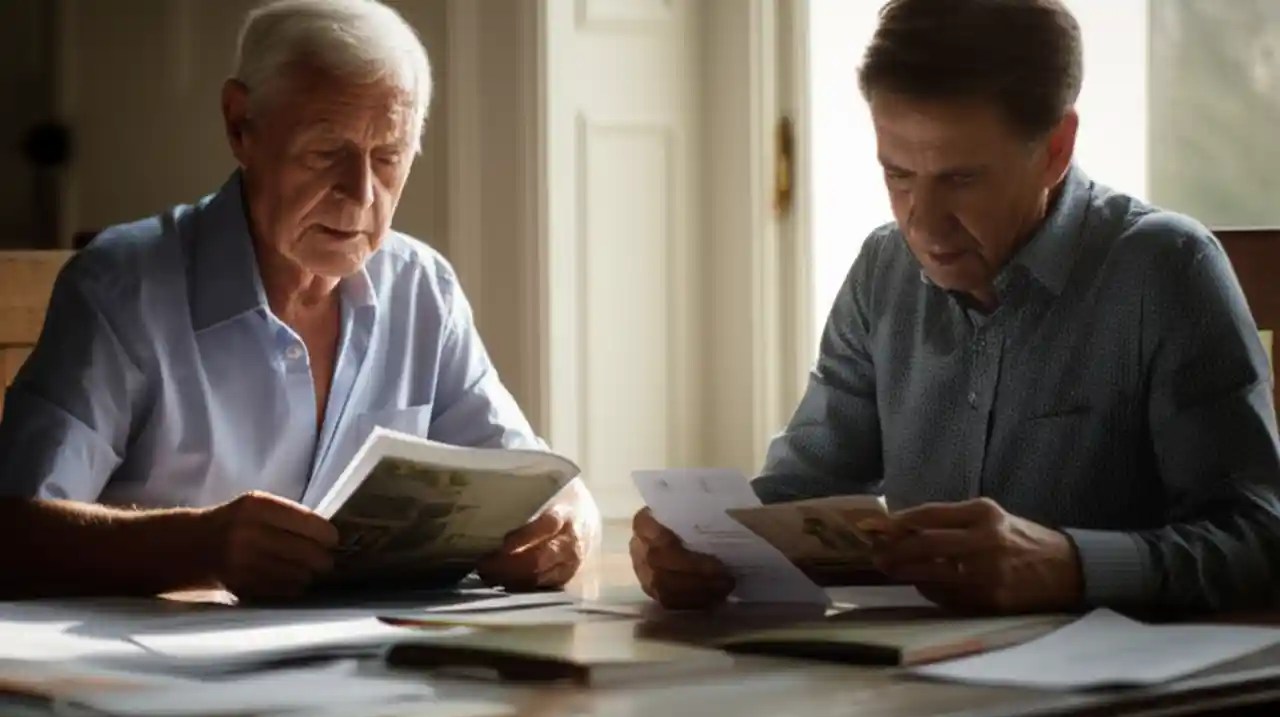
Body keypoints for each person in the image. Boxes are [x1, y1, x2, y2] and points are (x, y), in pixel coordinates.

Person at [632, 0, 1280, 613]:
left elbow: (1259, 539)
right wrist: (707, 548)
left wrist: (1070, 564)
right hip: (916, 683)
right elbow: (804, 494)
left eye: (962, 179)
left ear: (1056, 147)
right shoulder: (881, 272)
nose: (925, 226)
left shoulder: (1165, 270)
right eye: (898, 175)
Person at [0, 0, 598, 601]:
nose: (361, 193)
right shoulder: (122, 287)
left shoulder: (422, 289)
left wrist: (571, 527)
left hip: (377, 675)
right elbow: (16, 532)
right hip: (164, 677)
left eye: (388, 157)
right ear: (240, 125)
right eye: (326, 151)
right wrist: (196, 546)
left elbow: (538, 481)